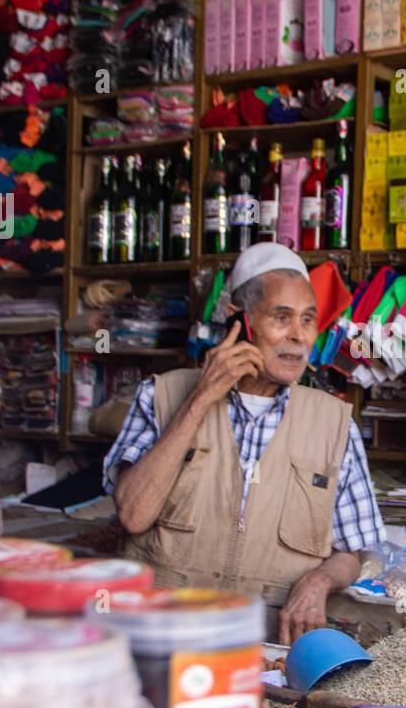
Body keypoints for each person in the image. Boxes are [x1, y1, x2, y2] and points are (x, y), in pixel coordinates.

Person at [103, 245, 384, 643]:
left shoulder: (335, 424)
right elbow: (132, 514)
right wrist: (200, 399)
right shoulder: (162, 395)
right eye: (281, 318)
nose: (298, 336)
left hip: (265, 649)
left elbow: (352, 552)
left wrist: (320, 581)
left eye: (308, 320)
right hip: (159, 636)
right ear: (242, 322)